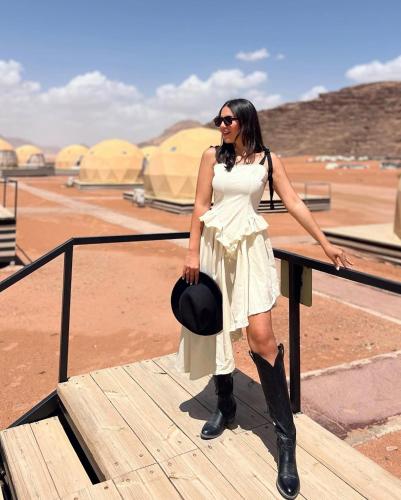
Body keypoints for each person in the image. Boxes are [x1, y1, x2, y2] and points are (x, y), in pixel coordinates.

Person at [175, 98, 354, 500]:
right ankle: (225, 405)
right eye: (218, 119)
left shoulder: (269, 160)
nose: (221, 125)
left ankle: (285, 442)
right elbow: (200, 205)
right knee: (216, 327)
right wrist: (192, 252)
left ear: (246, 121)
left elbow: (293, 202)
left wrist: (324, 243)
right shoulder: (211, 156)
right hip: (214, 251)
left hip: (252, 252)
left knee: (262, 339)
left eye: (228, 119)